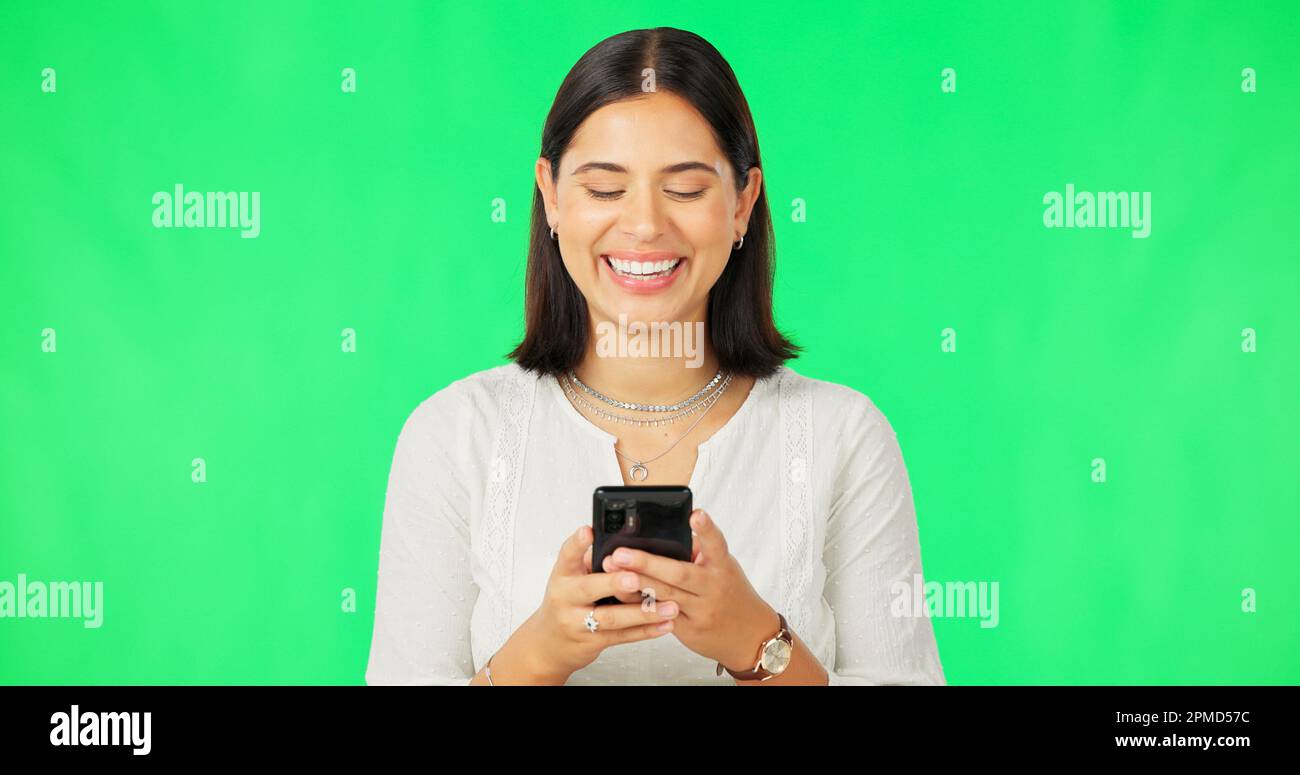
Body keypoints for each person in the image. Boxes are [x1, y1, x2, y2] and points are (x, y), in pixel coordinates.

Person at [365, 26, 945, 685]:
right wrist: (540, 653)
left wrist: (756, 638)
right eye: (605, 189)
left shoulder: (842, 435)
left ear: (743, 203)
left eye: (687, 189)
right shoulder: (453, 436)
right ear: (551, 197)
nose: (643, 225)